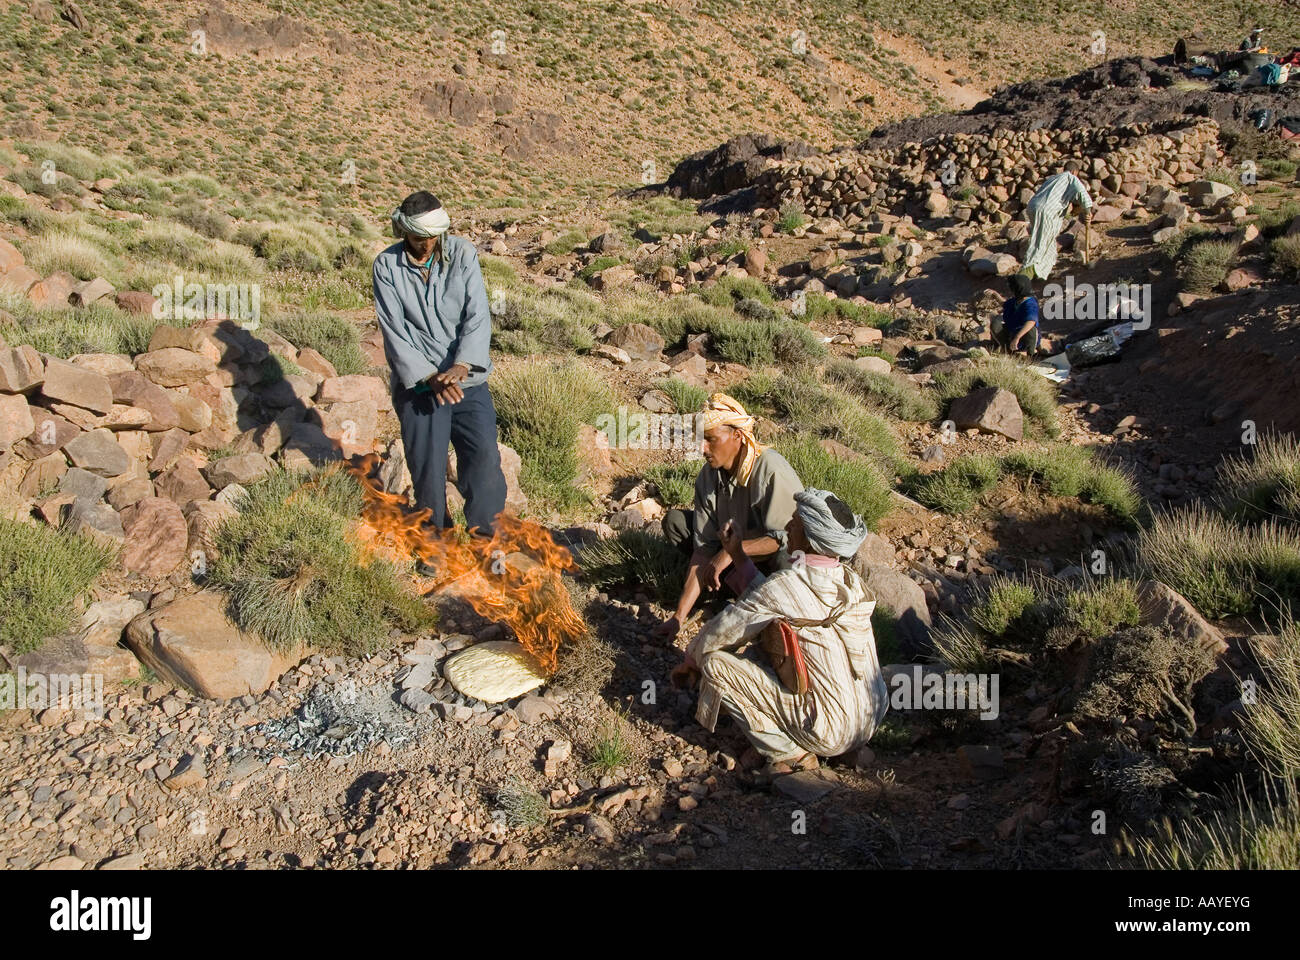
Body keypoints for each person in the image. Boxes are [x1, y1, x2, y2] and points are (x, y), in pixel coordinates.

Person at [671, 489, 889, 774]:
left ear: (810, 540)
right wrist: (737, 553)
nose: (787, 528)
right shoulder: (850, 582)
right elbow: (770, 596)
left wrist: (691, 661)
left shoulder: (789, 583)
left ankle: (791, 753)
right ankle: (842, 744)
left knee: (715, 665)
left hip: (829, 731)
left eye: (795, 523)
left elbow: (725, 630)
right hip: (870, 719)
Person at [372, 191, 507, 535]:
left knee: (484, 460)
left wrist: (463, 365)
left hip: (466, 380)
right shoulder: (387, 266)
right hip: (420, 385)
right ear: (404, 231)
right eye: (419, 238)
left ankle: (485, 538)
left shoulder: (462, 254)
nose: (428, 244)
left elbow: (477, 314)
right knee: (427, 468)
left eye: (433, 236)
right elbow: (394, 331)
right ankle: (437, 539)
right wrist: (429, 376)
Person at [654, 393, 802, 641]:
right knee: (676, 523)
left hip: (769, 558)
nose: (702, 448)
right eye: (700, 439)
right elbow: (702, 550)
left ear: (737, 436)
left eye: (710, 439)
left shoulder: (770, 469)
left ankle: (784, 622)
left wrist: (729, 553)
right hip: (735, 553)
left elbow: (787, 537)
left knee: (789, 557)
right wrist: (678, 618)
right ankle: (724, 592)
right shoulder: (708, 476)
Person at [1021, 160, 1094, 281]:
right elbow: (1083, 194)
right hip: (1046, 211)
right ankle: (1023, 276)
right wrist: (1088, 212)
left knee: (1047, 242)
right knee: (1041, 243)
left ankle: (1041, 273)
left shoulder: (1053, 179)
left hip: (1033, 207)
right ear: (1074, 171)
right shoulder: (1071, 178)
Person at [992, 272, 1041, 356]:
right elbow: (1005, 304)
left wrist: (1017, 337)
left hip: (1023, 338)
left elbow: (1031, 321)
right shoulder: (1016, 300)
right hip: (1012, 334)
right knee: (996, 324)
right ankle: (1006, 349)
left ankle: (1031, 355)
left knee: (1031, 330)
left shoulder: (1030, 304)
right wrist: (995, 295)